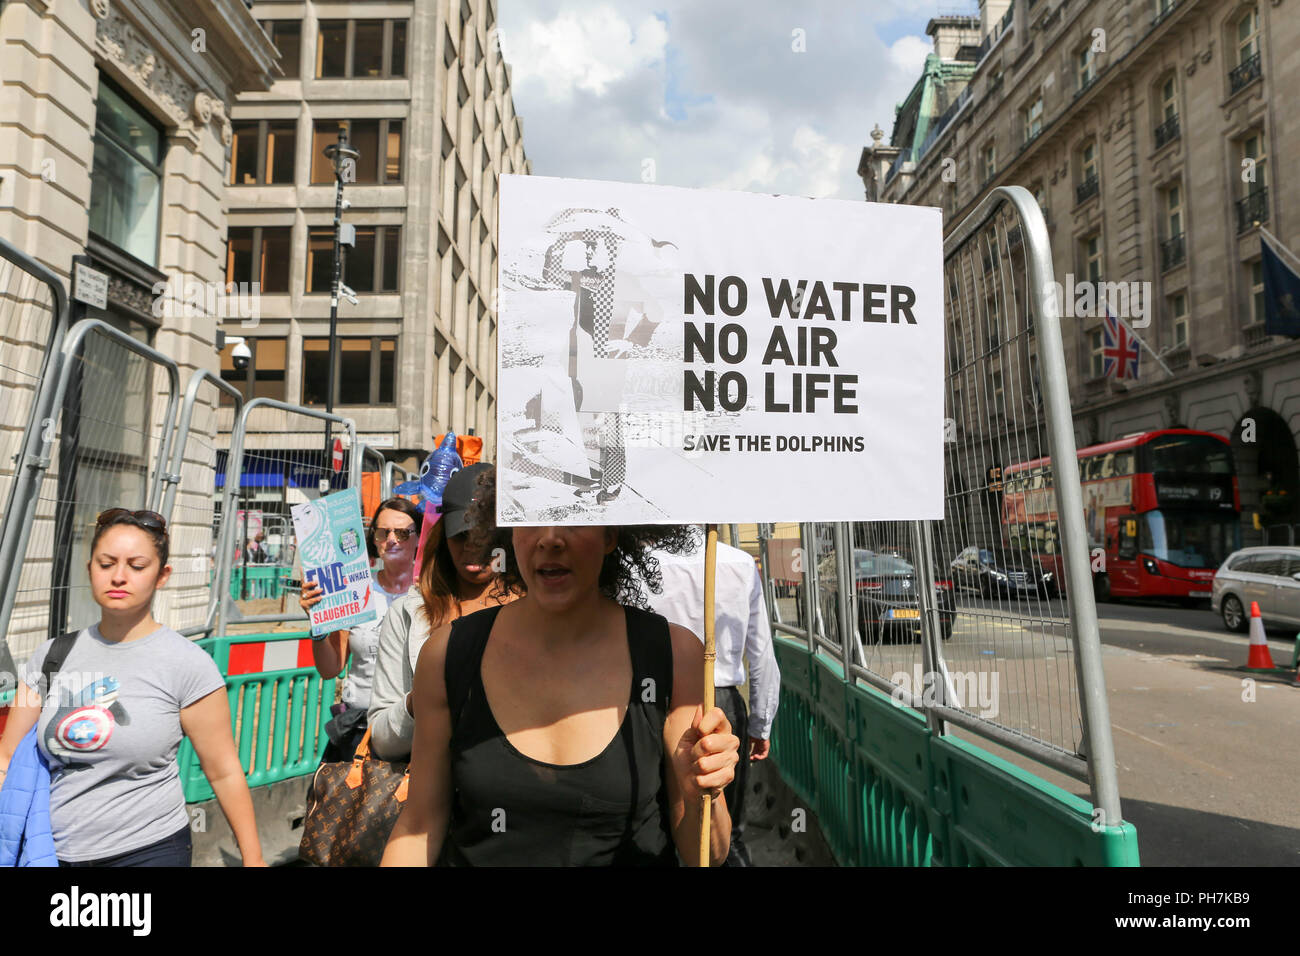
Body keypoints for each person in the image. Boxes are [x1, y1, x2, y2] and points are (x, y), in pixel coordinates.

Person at [381, 469, 741, 866]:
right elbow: (420, 826)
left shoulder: (675, 655)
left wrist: (705, 788)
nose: (550, 537)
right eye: (530, 514)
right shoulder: (447, 654)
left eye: (573, 514)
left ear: (610, 534)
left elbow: (705, 852)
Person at [0, 508, 265, 867]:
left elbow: (223, 770)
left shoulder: (187, 663)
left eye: (137, 566)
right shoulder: (52, 656)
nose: (119, 577)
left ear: (162, 575)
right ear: (89, 569)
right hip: (52, 851)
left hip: (149, 850)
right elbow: (7, 757)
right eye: (106, 563)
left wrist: (252, 859)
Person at [646, 532, 781, 867]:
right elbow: (762, 652)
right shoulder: (741, 563)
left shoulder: (643, 561)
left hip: (655, 701)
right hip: (721, 704)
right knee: (726, 830)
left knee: (657, 824)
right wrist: (761, 725)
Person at [368, 463, 516, 760]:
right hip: (428, 791)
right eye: (461, 536)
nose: (473, 549)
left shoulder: (537, 608)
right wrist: (419, 700)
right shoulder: (408, 613)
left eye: (484, 537)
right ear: (442, 537)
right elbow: (382, 740)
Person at [299, 496, 422, 762]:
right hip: (358, 730)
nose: (391, 539)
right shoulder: (354, 590)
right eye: (382, 532)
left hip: (414, 731)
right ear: (374, 539)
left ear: (418, 538)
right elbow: (331, 669)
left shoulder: (431, 594)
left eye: (402, 533)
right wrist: (318, 624)